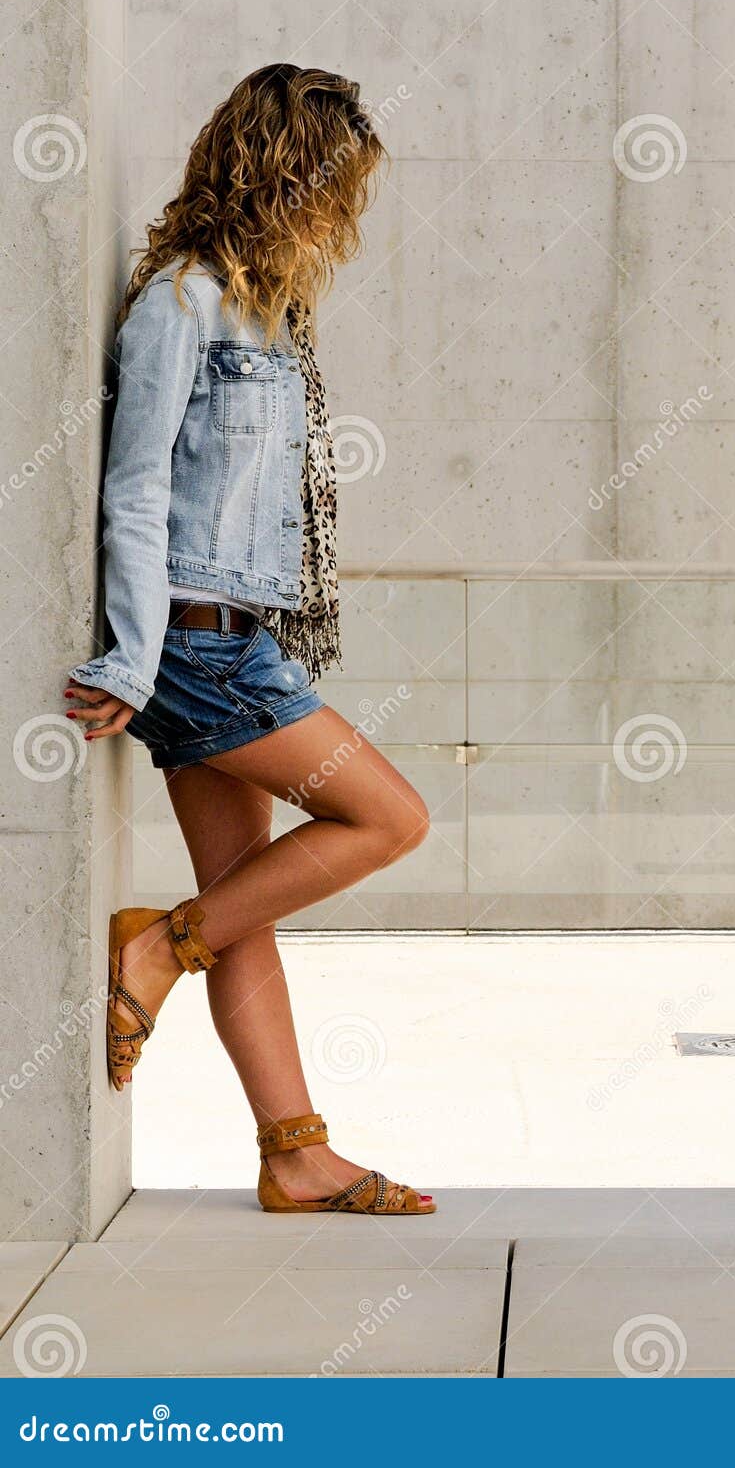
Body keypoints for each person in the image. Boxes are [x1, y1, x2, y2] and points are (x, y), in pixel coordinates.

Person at [66, 63, 435, 1216]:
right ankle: (156, 948)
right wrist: (132, 654)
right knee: (390, 816)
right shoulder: (180, 300)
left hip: (232, 632)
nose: (339, 218)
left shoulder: (265, 309)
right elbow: (131, 489)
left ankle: (293, 1154)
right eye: (330, 190)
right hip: (195, 645)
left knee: (245, 898)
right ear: (280, 176)